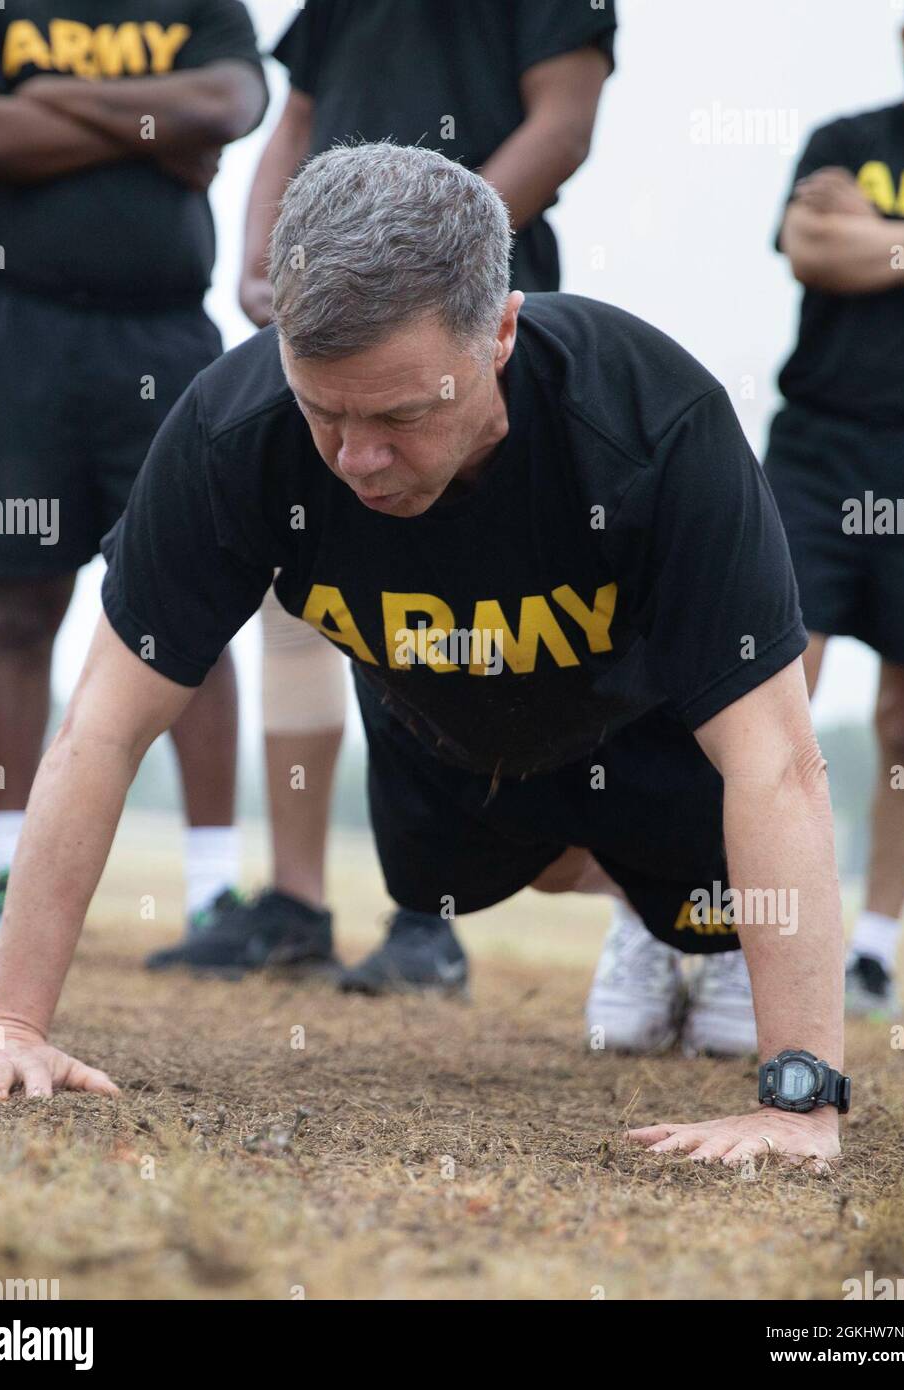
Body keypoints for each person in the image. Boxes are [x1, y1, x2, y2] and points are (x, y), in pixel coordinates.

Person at [0, 144, 847, 1169]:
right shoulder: (231, 433)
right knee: (439, 877)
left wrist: (797, 1102)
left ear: (501, 331)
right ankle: (634, 904)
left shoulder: (654, 424)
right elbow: (103, 726)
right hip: (443, 736)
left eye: (400, 416)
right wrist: (12, 1025)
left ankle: (685, 922)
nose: (356, 460)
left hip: (647, 734)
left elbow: (774, 762)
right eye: (323, 411)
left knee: (708, 904)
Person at [149, 0, 619, 990]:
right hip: (336, 317)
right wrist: (265, 258)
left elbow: (564, 126)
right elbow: (295, 122)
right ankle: (294, 899)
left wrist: (413, 271)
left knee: (450, 598)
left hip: (459, 319)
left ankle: (428, 910)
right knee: (299, 594)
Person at [0, 0, 267, 946]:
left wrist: (49, 97)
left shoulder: (201, 6)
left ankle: (213, 894)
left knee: (191, 604)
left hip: (164, 335)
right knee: (16, 607)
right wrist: (150, 129)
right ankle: (12, 877)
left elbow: (225, 109)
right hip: (17, 335)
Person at [766, 0, 904, 1020]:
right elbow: (812, 255)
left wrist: (875, 236)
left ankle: (870, 949)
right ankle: (749, 919)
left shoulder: (858, 189)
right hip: (815, 449)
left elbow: (851, 250)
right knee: (772, 694)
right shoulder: (842, 141)